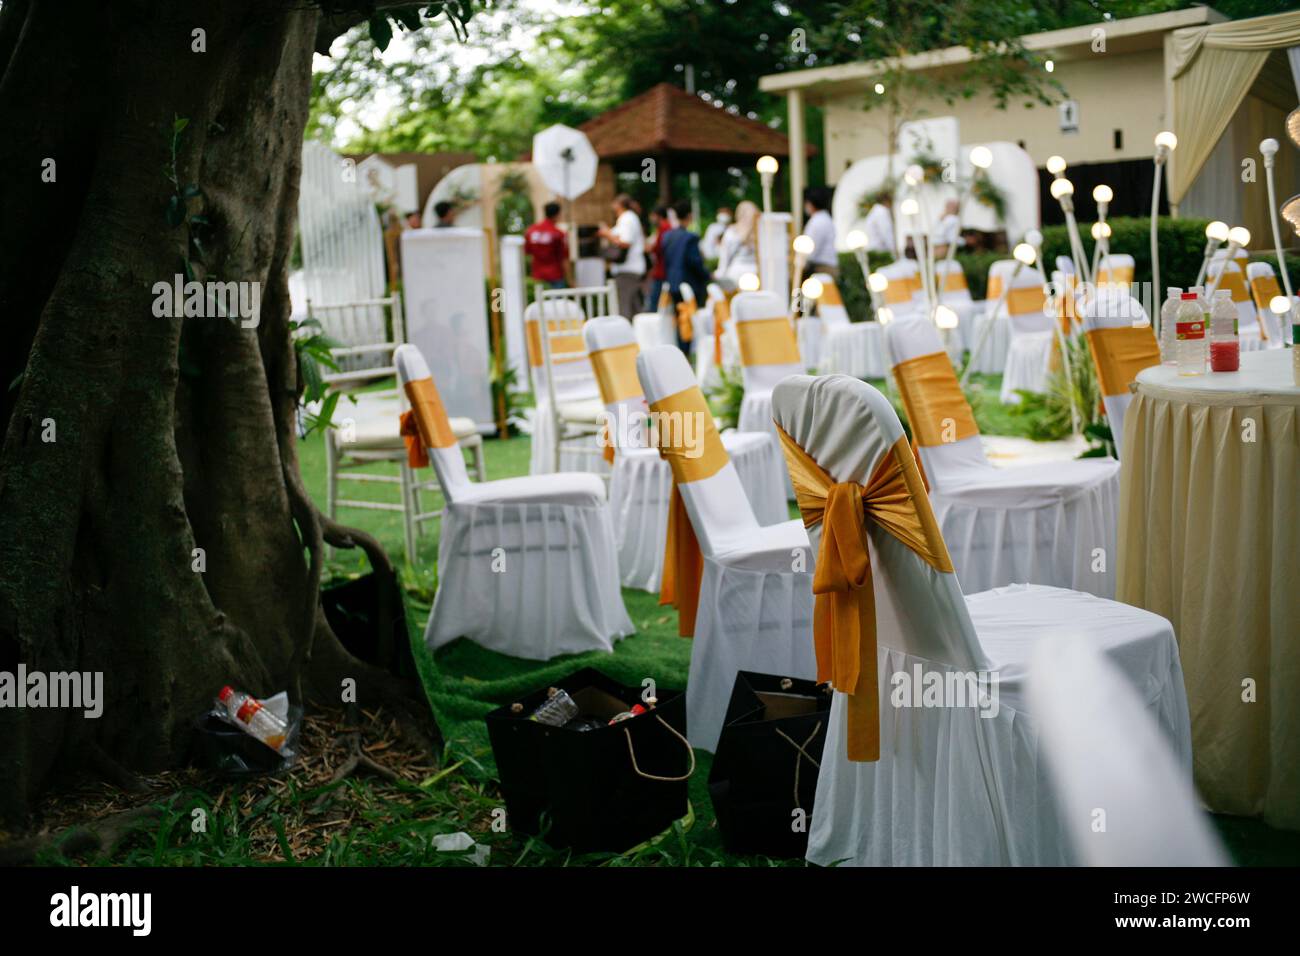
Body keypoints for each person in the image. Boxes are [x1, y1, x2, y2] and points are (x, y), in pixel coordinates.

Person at [660, 198, 709, 354]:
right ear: (689, 216)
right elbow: (694, 262)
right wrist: (708, 276)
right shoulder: (690, 238)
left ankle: (680, 351)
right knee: (688, 320)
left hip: (672, 283)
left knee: (678, 319)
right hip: (688, 284)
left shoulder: (667, 236)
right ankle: (687, 352)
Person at [597, 194, 646, 317]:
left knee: (624, 307)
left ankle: (625, 334)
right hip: (631, 269)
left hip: (627, 269)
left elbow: (625, 242)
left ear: (618, 205)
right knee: (634, 307)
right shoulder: (629, 218)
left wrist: (607, 234)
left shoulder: (627, 218)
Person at [523, 201, 568, 288]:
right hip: (556, 275)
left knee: (540, 300)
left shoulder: (531, 231)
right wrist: (570, 278)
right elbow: (564, 258)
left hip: (538, 275)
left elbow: (527, 251)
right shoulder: (558, 233)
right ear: (558, 214)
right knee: (558, 301)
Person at [714, 200, 759, 284]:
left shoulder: (759, 233)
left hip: (748, 273)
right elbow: (725, 255)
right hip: (743, 274)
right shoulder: (732, 232)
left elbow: (725, 256)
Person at [802, 186, 839, 281]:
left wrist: (802, 264)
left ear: (811, 204)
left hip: (822, 268)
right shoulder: (826, 218)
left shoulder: (816, 222)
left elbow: (811, 249)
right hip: (830, 266)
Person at [646, 204, 674, 311]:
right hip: (663, 270)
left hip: (662, 272)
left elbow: (659, 248)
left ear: (658, 216)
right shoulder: (666, 228)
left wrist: (650, 248)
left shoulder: (664, 228)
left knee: (655, 303)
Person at [863, 191, 895, 255]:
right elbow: (886, 231)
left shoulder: (874, 212)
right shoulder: (881, 212)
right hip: (881, 249)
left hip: (874, 248)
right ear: (886, 201)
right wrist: (893, 249)